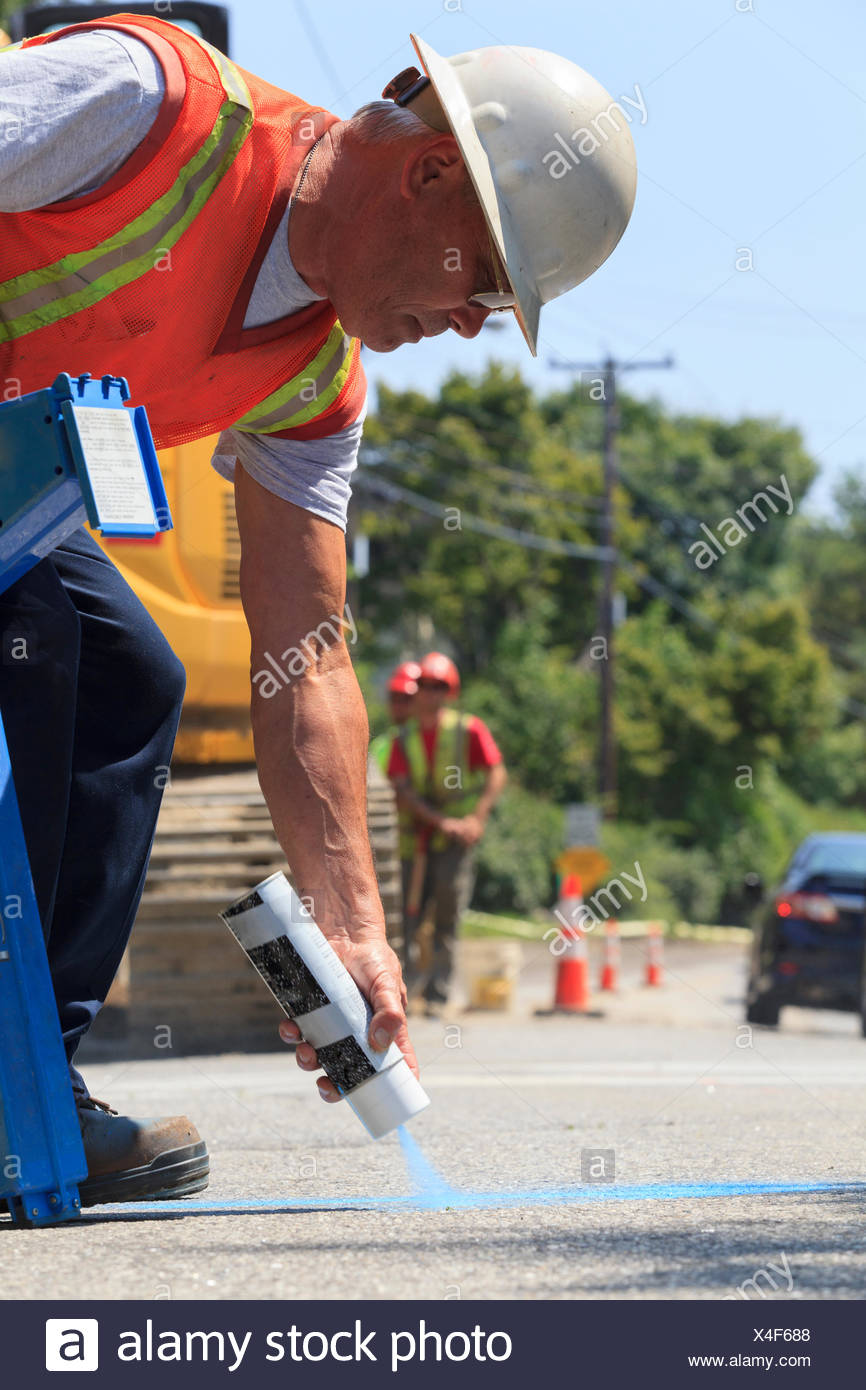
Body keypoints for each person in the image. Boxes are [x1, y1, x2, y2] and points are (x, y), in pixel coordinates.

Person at [0, 17, 636, 1202]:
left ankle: (23, 1083)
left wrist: (354, 930)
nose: (468, 326)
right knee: (28, 658)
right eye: (482, 283)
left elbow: (308, 655)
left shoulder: (314, 385)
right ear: (430, 170)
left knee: (124, 680)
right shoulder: (145, 107)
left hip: (9, 512)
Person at [388, 652, 506, 1012]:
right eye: (424, 686)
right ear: (416, 690)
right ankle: (405, 992)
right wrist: (440, 822)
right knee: (409, 917)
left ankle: (438, 993)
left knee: (447, 917)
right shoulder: (403, 738)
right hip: (416, 842)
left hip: (455, 843)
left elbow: (495, 773)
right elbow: (402, 790)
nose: (430, 693)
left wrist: (476, 820)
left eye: (438, 687)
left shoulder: (467, 730)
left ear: (449, 691)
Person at [369, 661, 421, 774]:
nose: (398, 706)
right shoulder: (380, 747)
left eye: (406, 699)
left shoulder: (434, 739)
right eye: (394, 698)